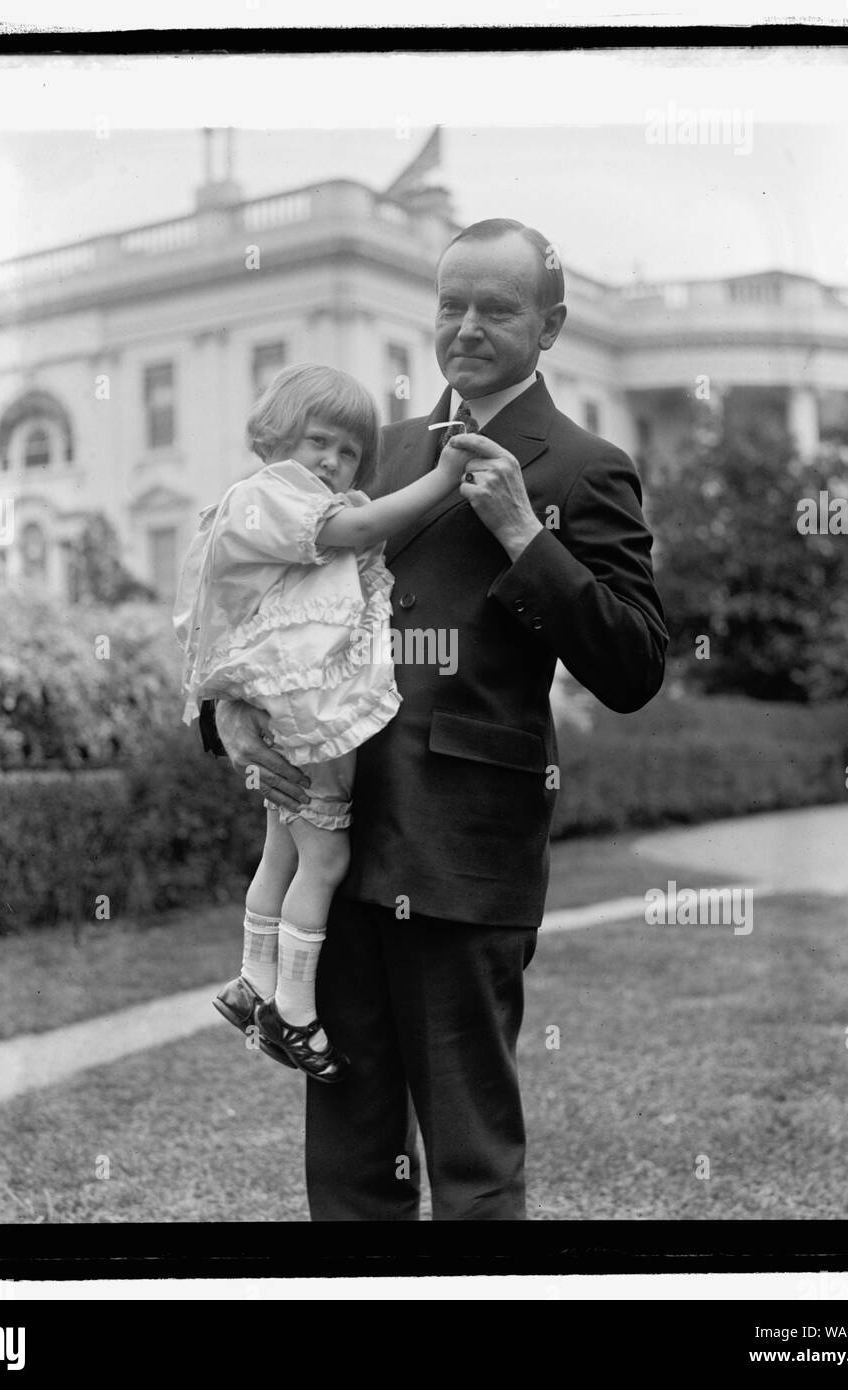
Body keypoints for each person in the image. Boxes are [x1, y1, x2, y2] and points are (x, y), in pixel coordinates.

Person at [209, 219, 669, 1220]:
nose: (465, 327)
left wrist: (524, 535)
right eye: (450, 304)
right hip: (339, 843)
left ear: (549, 326)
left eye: (495, 309)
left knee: (472, 1168)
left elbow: (635, 665)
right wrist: (228, 718)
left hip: (463, 855)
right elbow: (265, 600)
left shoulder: (585, 465)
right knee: (348, 1169)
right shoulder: (374, 452)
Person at [174, 363, 472, 1083]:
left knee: (282, 850)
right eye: (318, 441)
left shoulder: (281, 500)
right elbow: (360, 528)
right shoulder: (270, 496)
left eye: (348, 451)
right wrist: (444, 477)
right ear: (276, 435)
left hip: (291, 704)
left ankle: (252, 980)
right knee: (326, 858)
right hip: (306, 707)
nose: (333, 461)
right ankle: (295, 1012)